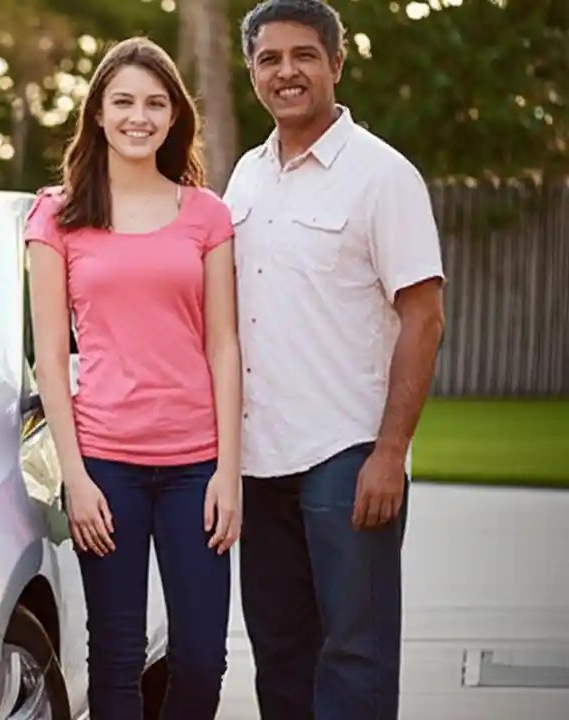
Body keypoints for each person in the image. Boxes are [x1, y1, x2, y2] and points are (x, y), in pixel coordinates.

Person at [224, 1, 447, 719]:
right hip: (260, 462)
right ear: (252, 71)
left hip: (346, 456)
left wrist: (390, 453)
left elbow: (424, 316)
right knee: (280, 655)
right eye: (269, 59)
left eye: (303, 55)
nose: (286, 71)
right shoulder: (245, 179)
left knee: (355, 656)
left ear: (336, 64)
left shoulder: (383, 176)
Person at [25, 36, 242, 720]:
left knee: (203, 656)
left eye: (155, 103)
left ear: (175, 116)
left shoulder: (208, 214)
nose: (138, 116)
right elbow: (51, 359)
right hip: (106, 467)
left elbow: (225, 346)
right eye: (123, 101)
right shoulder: (56, 217)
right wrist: (76, 477)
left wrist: (229, 474)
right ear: (97, 113)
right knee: (114, 656)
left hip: (195, 467)